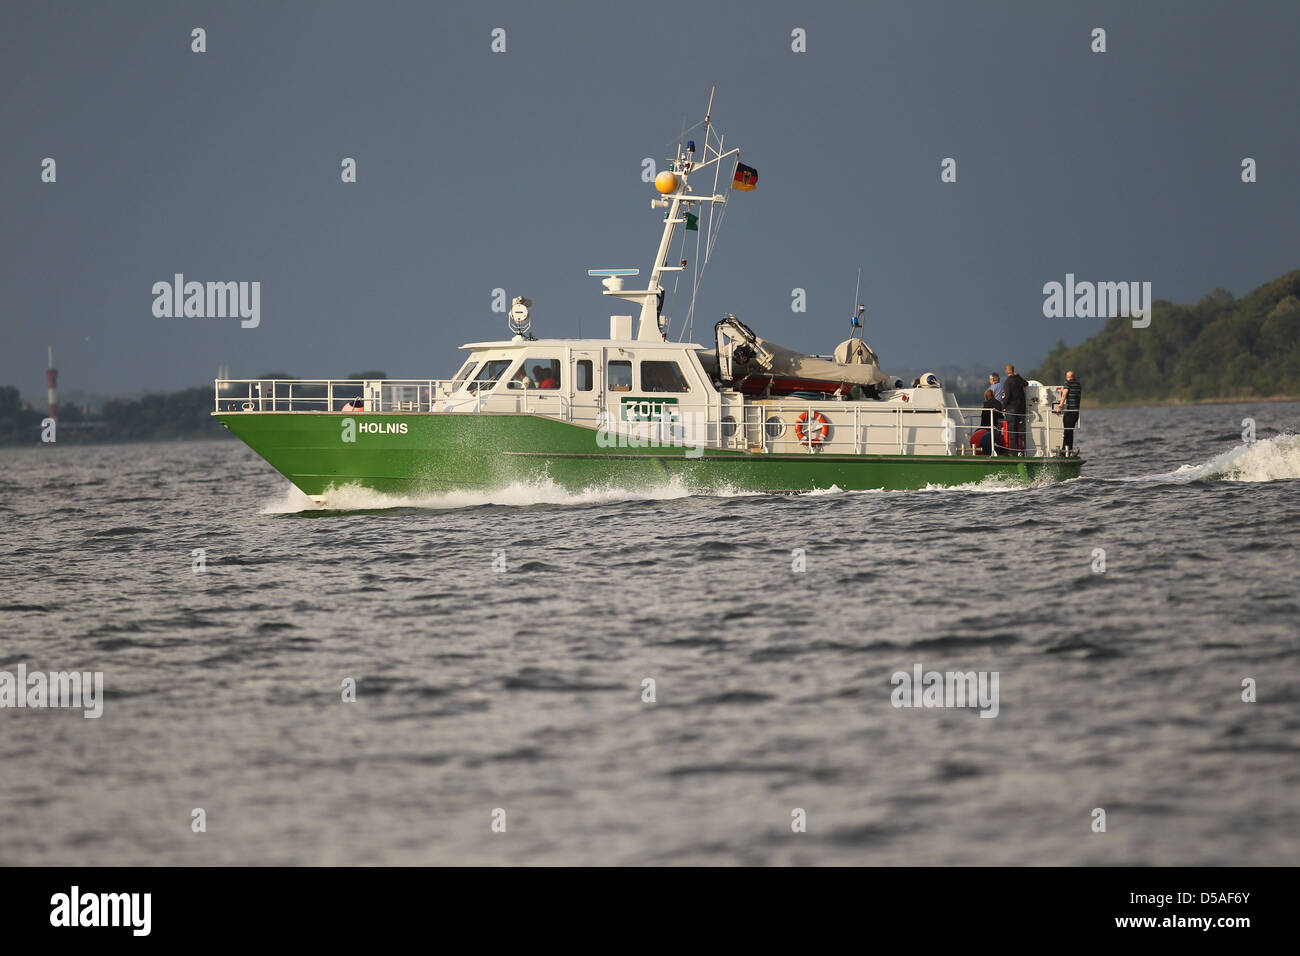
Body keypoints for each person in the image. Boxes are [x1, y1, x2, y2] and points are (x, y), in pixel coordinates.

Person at [1002, 364, 1028, 455]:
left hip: (1011, 410)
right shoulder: (1019, 380)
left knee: (1012, 433)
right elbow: (1026, 384)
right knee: (1022, 432)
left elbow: (1007, 396)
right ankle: (1022, 451)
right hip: (1021, 410)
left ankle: (1014, 452)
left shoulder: (1007, 382)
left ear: (1006, 371)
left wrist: (1003, 407)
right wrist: (1018, 375)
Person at [1055, 369, 1082, 455]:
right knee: (1070, 431)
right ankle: (1068, 450)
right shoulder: (1078, 384)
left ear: (1067, 377)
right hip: (1076, 412)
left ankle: (1064, 450)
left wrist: (1060, 406)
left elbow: (1064, 394)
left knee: (1066, 431)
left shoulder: (1067, 383)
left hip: (1070, 411)